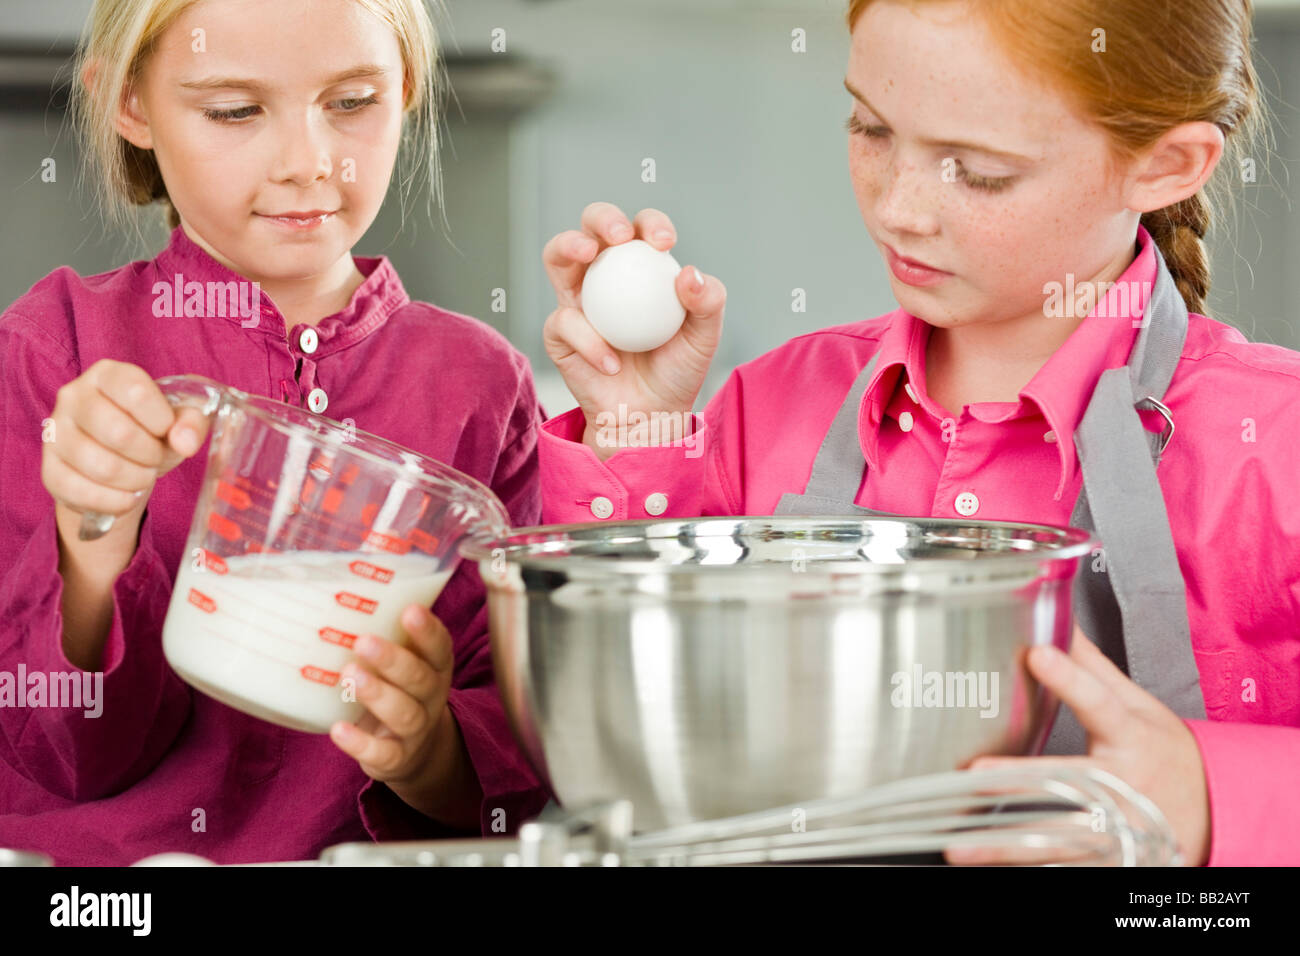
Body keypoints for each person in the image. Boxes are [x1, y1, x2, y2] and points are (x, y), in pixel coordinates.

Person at [536, 0, 1297, 865]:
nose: (900, 209)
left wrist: (1213, 799)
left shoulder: (1277, 446)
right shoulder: (770, 404)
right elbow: (630, 736)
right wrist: (638, 432)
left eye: (977, 171)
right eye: (870, 127)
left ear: (1167, 165)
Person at [0, 0, 548, 865]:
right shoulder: (57, 346)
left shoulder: (479, 382)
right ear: (131, 105)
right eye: (234, 111)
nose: (308, 163)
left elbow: (520, 776)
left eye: (352, 101)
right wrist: (91, 542)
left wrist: (430, 750)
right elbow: (54, 753)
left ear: (405, 88)